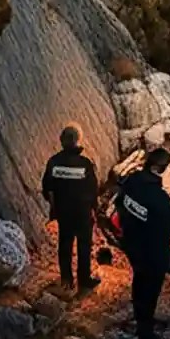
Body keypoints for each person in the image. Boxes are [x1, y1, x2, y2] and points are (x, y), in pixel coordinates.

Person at [116, 147, 170, 339]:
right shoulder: (160, 200)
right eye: (167, 169)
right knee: (150, 293)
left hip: (133, 246)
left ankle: (139, 317)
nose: (169, 173)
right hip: (152, 255)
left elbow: (121, 204)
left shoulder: (132, 181)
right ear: (157, 169)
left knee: (139, 283)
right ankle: (145, 334)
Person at [41, 124, 101, 294]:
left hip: (63, 213)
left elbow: (47, 188)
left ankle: (67, 280)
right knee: (84, 246)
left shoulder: (53, 162)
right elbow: (93, 190)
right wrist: (94, 209)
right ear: (78, 141)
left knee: (65, 246)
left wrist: (55, 207)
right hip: (82, 213)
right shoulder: (85, 164)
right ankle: (84, 281)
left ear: (61, 141)